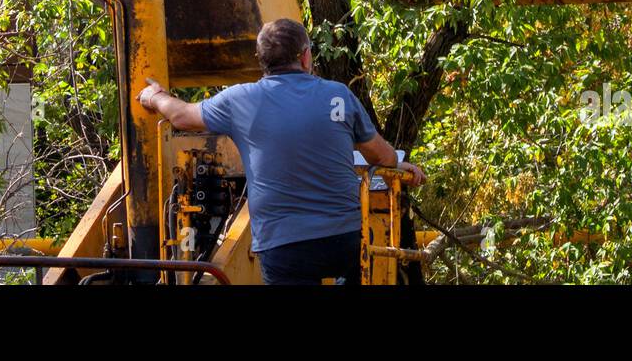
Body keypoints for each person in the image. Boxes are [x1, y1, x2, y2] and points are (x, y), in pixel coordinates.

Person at [137, 18, 425, 285]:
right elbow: (382, 157)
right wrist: (398, 168)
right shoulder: (338, 95)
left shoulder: (240, 100)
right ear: (305, 56)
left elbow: (182, 117)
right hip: (344, 240)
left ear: (261, 61)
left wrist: (155, 96)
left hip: (283, 247)